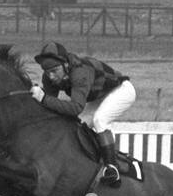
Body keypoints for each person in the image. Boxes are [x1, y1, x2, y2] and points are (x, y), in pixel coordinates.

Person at [32, 42, 135, 185]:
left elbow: (75, 108)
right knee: (78, 125)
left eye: (54, 70)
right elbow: (49, 106)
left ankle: (112, 169)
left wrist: (43, 98)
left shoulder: (80, 72)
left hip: (122, 91)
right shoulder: (51, 76)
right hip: (100, 96)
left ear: (65, 65)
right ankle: (94, 162)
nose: (51, 76)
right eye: (47, 71)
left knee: (100, 120)